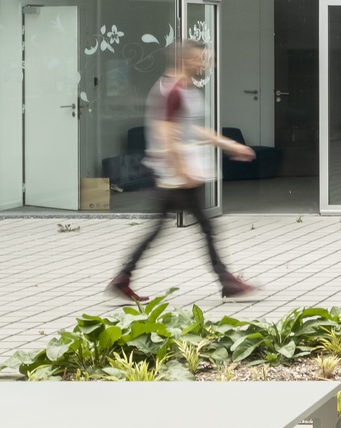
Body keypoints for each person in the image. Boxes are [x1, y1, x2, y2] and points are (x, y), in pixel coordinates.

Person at [108, 39, 259, 303]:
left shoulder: (180, 88)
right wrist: (181, 170)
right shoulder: (174, 90)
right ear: (186, 60)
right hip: (176, 175)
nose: (205, 63)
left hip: (176, 172)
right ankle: (226, 281)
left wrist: (229, 144)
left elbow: (190, 129)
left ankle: (123, 278)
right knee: (205, 226)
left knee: (163, 228)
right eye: (201, 58)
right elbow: (165, 133)